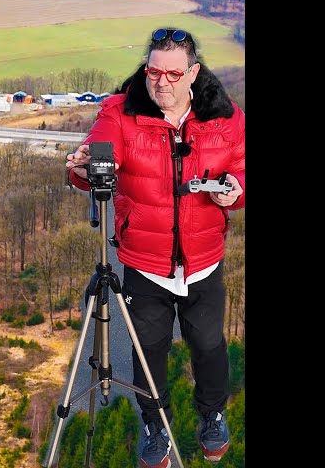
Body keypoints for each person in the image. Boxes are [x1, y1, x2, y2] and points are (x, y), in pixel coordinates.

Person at [64, 28, 244, 468]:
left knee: (207, 345)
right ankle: (154, 424)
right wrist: (85, 170)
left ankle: (212, 415)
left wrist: (235, 191)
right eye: (153, 71)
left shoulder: (228, 119)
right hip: (145, 262)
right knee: (148, 348)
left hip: (203, 261)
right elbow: (99, 159)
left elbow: (242, 175)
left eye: (172, 73)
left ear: (193, 73)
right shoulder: (119, 113)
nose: (161, 81)